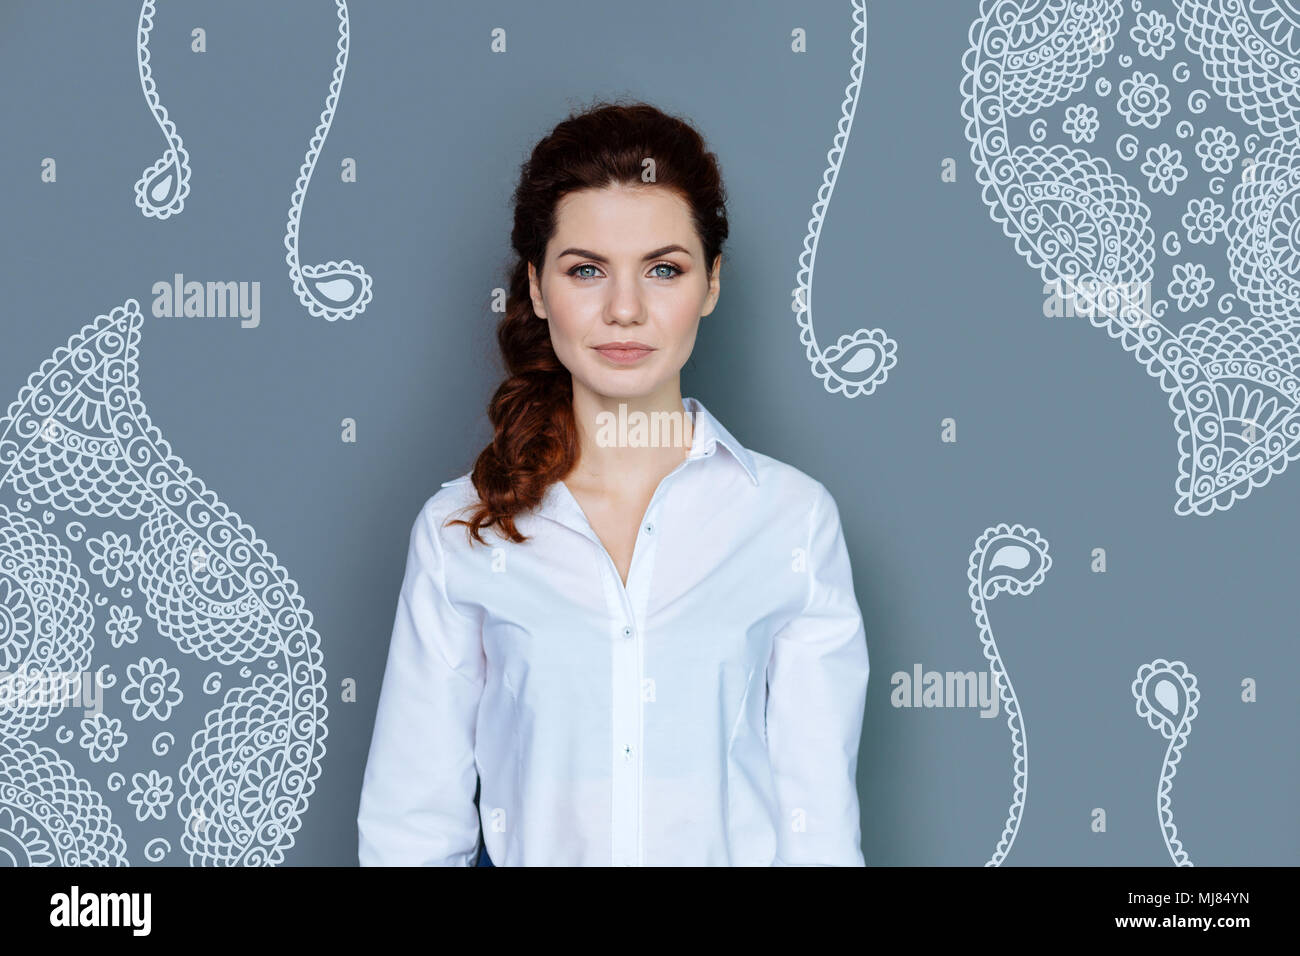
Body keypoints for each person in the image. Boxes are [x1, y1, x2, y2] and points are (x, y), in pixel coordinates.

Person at [357, 99, 870, 866]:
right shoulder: (460, 529)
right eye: (586, 270)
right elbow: (412, 832)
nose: (625, 309)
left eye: (663, 269)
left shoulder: (790, 522)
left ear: (712, 284)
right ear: (536, 289)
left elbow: (819, 829)